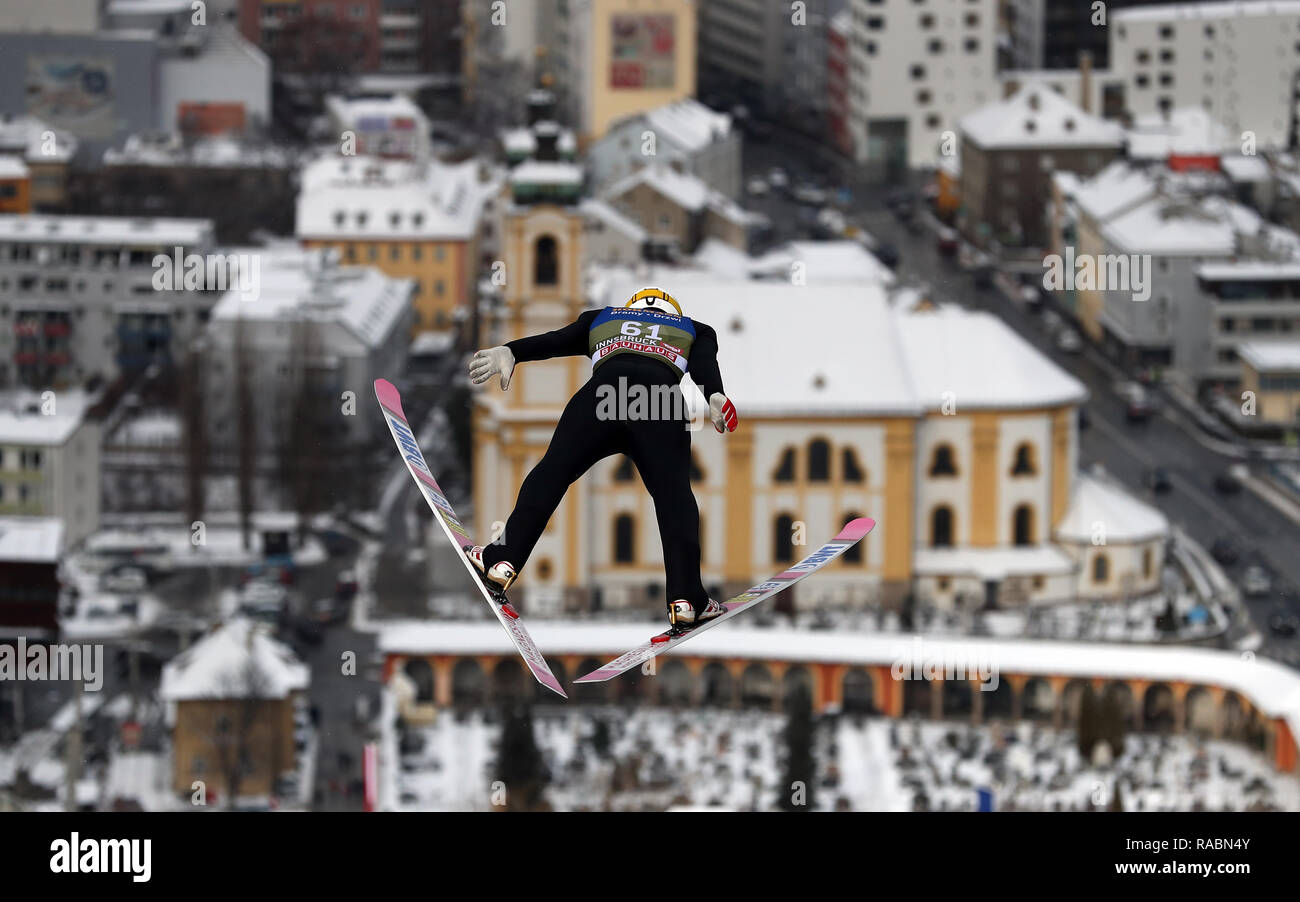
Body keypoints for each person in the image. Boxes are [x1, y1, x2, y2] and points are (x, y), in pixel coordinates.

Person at [467, 286, 739, 630]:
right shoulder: (694, 328)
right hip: (660, 400)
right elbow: (703, 364)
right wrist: (715, 395)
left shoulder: (603, 317)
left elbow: (554, 341)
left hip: (603, 396)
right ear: (672, 313)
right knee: (675, 498)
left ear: (632, 308)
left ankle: (502, 561)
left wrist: (511, 352)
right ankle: (686, 600)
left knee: (553, 471)